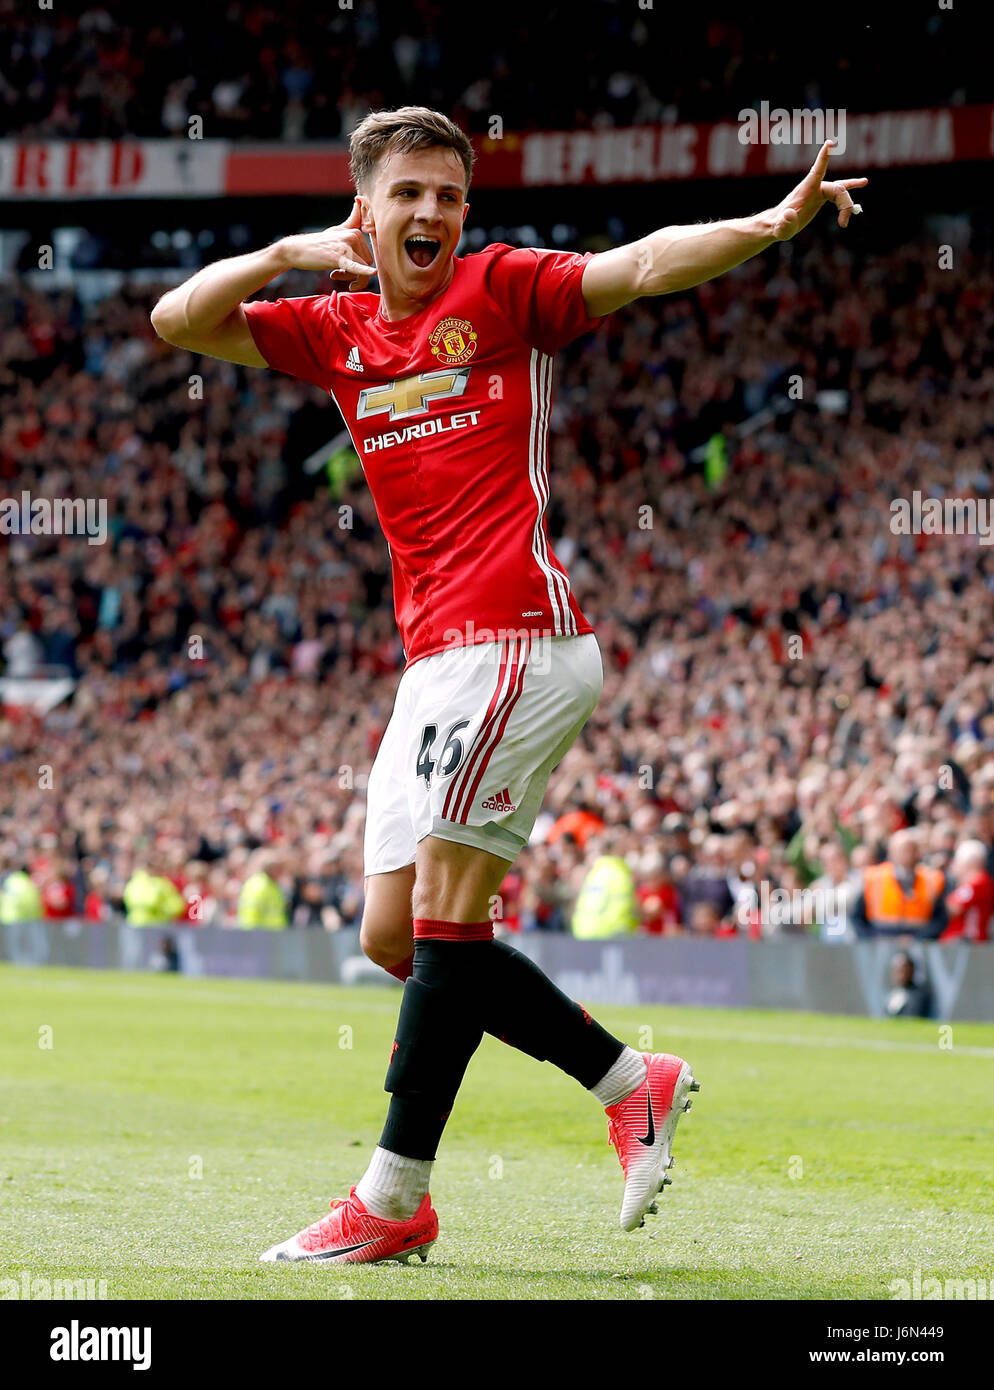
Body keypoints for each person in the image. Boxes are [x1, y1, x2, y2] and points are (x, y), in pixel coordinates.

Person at [152, 105, 865, 1266]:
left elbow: (637, 266)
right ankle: (631, 1080)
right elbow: (179, 319)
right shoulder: (331, 326)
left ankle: (392, 1198)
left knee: (440, 909)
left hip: (517, 638)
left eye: (448, 193)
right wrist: (285, 255)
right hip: (432, 659)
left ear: (465, 211)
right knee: (401, 936)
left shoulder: (500, 288)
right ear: (366, 211)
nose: (431, 212)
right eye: (409, 194)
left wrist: (771, 222)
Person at [851, 830, 946, 941]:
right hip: (882, 945)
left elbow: (940, 919)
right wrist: (872, 939)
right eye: (903, 850)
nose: (908, 854)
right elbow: (857, 917)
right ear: (891, 852)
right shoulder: (874, 878)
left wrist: (919, 938)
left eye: (911, 849)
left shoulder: (931, 879)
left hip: (919, 947)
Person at [940, 839, 993, 943]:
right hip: (963, 942)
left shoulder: (978, 882)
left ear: (970, 863)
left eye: (958, 861)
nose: (954, 866)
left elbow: (953, 907)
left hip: (970, 943)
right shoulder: (977, 881)